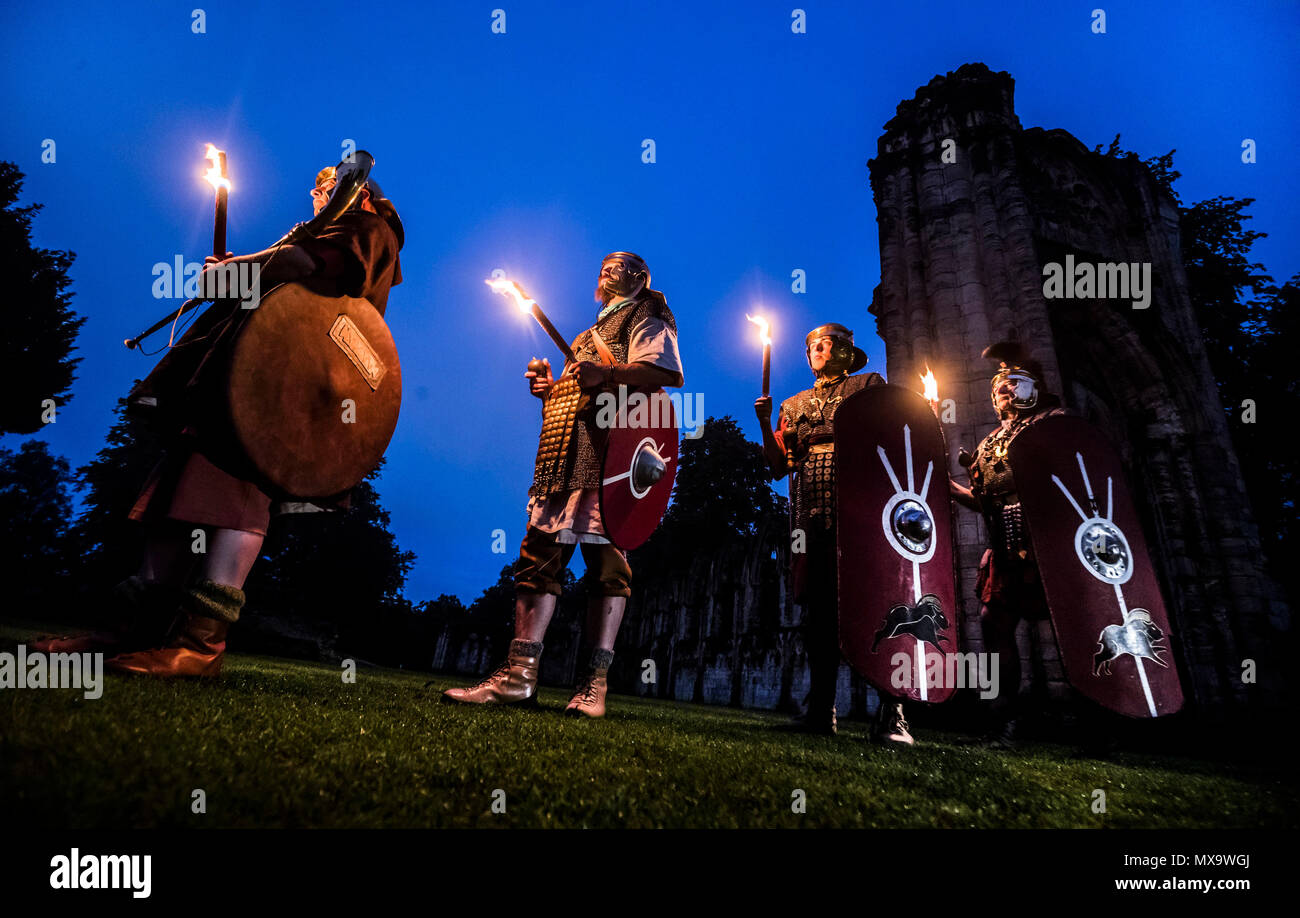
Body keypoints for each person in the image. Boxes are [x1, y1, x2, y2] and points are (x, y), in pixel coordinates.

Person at [36, 162, 404, 679]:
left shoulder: (371, 226)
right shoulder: (338, 225)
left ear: (356, 192)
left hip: (278, 394)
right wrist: (237, 276)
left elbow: (304, 262)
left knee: (238, 499)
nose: (319, 198)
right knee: (180, 495)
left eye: (326, 189)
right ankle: (127, 632)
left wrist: (232, 273)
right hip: (239, 383)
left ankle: (199, 646)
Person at [442, 252, 683, 717]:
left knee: (607, 569)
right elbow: (581, 390)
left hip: (609, 456)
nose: (608, 271)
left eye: (620, 266)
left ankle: (595, 686)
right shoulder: (586, 334)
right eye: (604, 265)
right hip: (562, 457)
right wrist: (550, 388)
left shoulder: (647, 314)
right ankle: (519, 677)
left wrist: (608, 373)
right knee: (537, 559)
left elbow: (664, 372)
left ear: (640, 277)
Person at [754, 324, 911, 742]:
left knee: (880, 612)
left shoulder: (868, 386)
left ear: (845, 351)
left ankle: (893, 713)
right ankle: (821, 710)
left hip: (862, 517)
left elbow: (893, 441)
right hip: (810, 519)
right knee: (819, 619)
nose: (818, 350)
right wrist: (765, 422)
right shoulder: (793, 404)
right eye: (811, 347)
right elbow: (777, 467)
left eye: (826, 343)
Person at [949, 341, 1066, 746]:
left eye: (1013, 384)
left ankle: (1093, 721)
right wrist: (945, 483)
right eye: (998, 387)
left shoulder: (1056, 424)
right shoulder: (988, 443)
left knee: (1071, 626)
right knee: (992, 622)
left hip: (1051, 543)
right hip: (1004, 546)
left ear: (1033, 387)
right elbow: (981, 501)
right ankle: (1006, 722)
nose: (1003, 392)